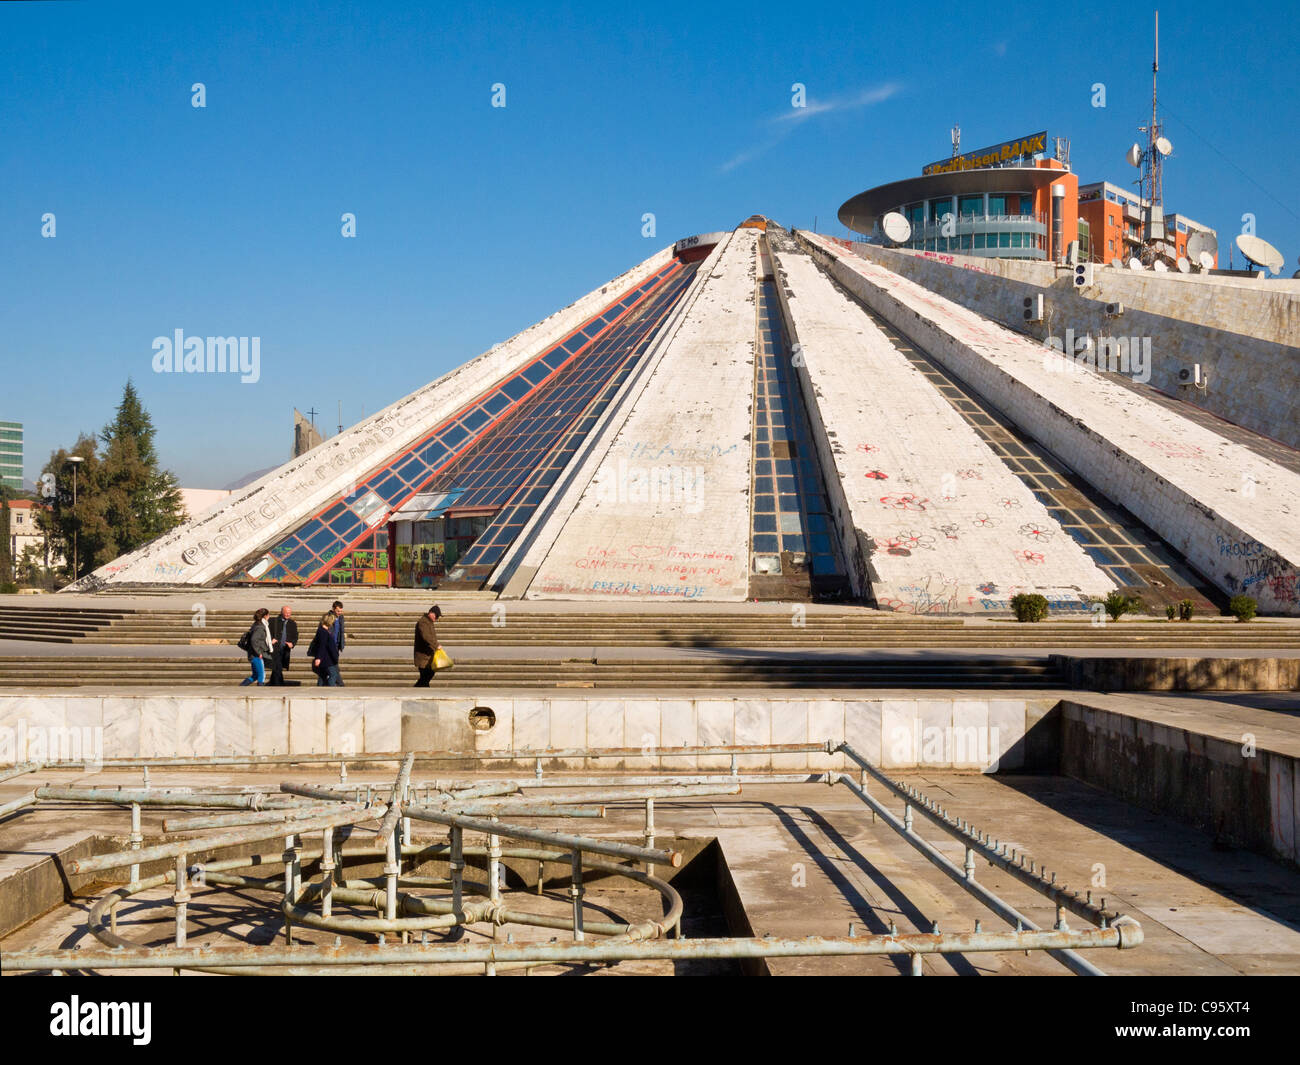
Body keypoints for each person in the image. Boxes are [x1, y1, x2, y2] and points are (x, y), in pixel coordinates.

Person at [240, 608, 273, 686]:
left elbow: (259, 640)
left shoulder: (257, 624)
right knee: (261, 676)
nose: (269, 616)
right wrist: (259, 653)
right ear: (265, 616)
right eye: (268, 615)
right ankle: (260, 693)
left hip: (253, 654)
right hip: (256, 655)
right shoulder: (260, 626)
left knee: (255, 676)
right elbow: (254, 640)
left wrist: (270, 642)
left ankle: (241, 687)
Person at [267, 605, 298, 686]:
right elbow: (266, 633)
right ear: (281, 612)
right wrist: (270, 641)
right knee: (278, 667)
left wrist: (292, 644)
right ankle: (279, 685)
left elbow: (295, 636)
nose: (288, 614)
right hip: (275, 649)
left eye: (289, 613)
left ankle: (273, 683)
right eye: (286, 613)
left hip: (285, 650)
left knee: (277, 668)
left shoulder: (292, 623)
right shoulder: (273, 621)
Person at [413, 604, 443, 687]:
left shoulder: (428, 622)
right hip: (423, 656)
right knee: (426, 676)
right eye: (436, 616)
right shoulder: (423, 622)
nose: (437, 618)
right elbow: (426, 636)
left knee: (426, 676)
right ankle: (416, 690)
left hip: (428, 656)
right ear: (431, 613)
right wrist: (436, 645)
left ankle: (419, 690)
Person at [319, 600, 346, 685]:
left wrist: (342, 643)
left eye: (341, 611)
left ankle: (321, 685)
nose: (340, 613)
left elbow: (341, 631)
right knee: (333, 668)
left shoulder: (341, 617)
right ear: (333, 609)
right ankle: (340, 684)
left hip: (336, 646)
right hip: (328, 647)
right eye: (338, 611)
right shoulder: (328, 617)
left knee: (328, 669)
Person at [308, 619, 341, 687]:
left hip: (325, 657)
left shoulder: (322, 631)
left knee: (323, 675)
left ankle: (319, 689)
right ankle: (329, 689)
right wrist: (319, 658)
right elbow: (322, 645)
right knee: (333, 674)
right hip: (327, 658)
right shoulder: (323, 632)